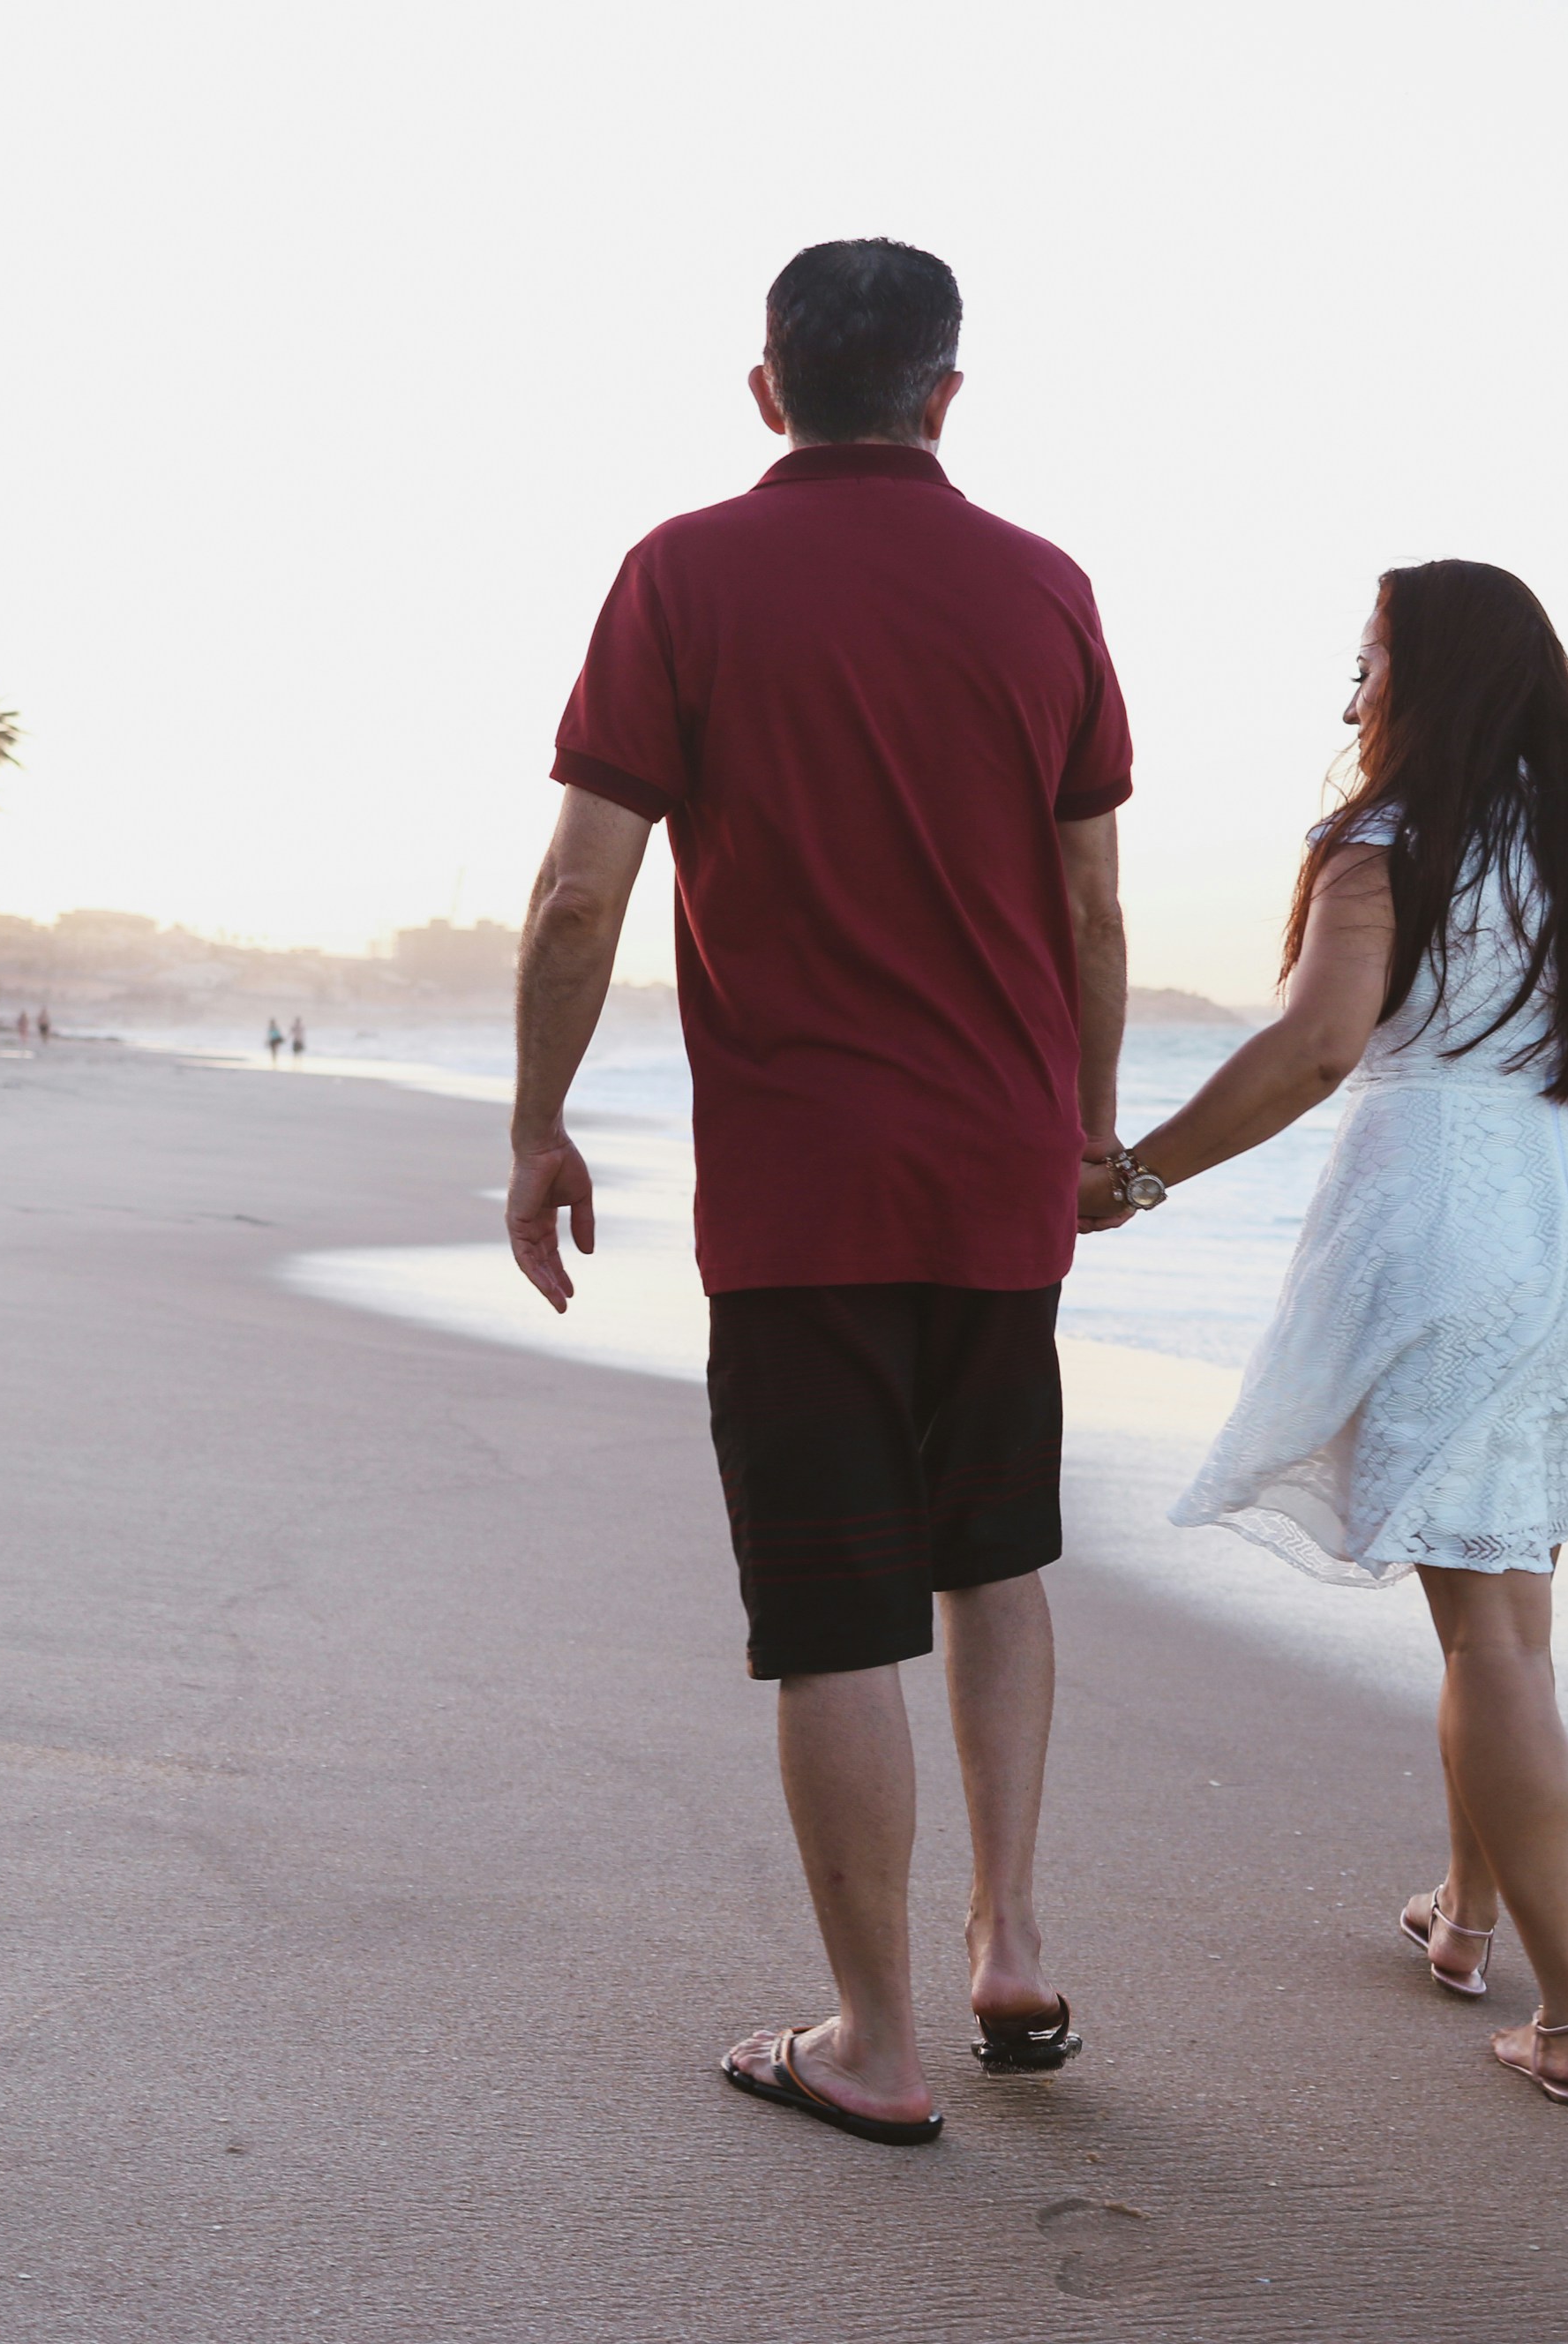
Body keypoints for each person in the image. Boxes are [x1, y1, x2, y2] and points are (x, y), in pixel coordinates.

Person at [507, 237, 1134, 2148]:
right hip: (1001, 1167)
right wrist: (1091, 1126)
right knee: (996, 1547)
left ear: (768, 388)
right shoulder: (1046, 588)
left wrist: (537, 1124)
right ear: (946, 393)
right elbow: (1092, 903)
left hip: (800, 1184)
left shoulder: (683, 572)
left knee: (833, 1607)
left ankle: (874, 2036)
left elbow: (580, 891)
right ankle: (1010, 1938)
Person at [1084, 561, 1568, 2110]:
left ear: (1429, 684)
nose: (1351, 699)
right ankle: (1465, 1916)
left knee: (1491, 1630)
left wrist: (1138, 1173)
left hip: (1455, 1225)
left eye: (1365, 667)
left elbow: (1312, 1050)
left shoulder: (1383, 842)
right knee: (1513, 1606)